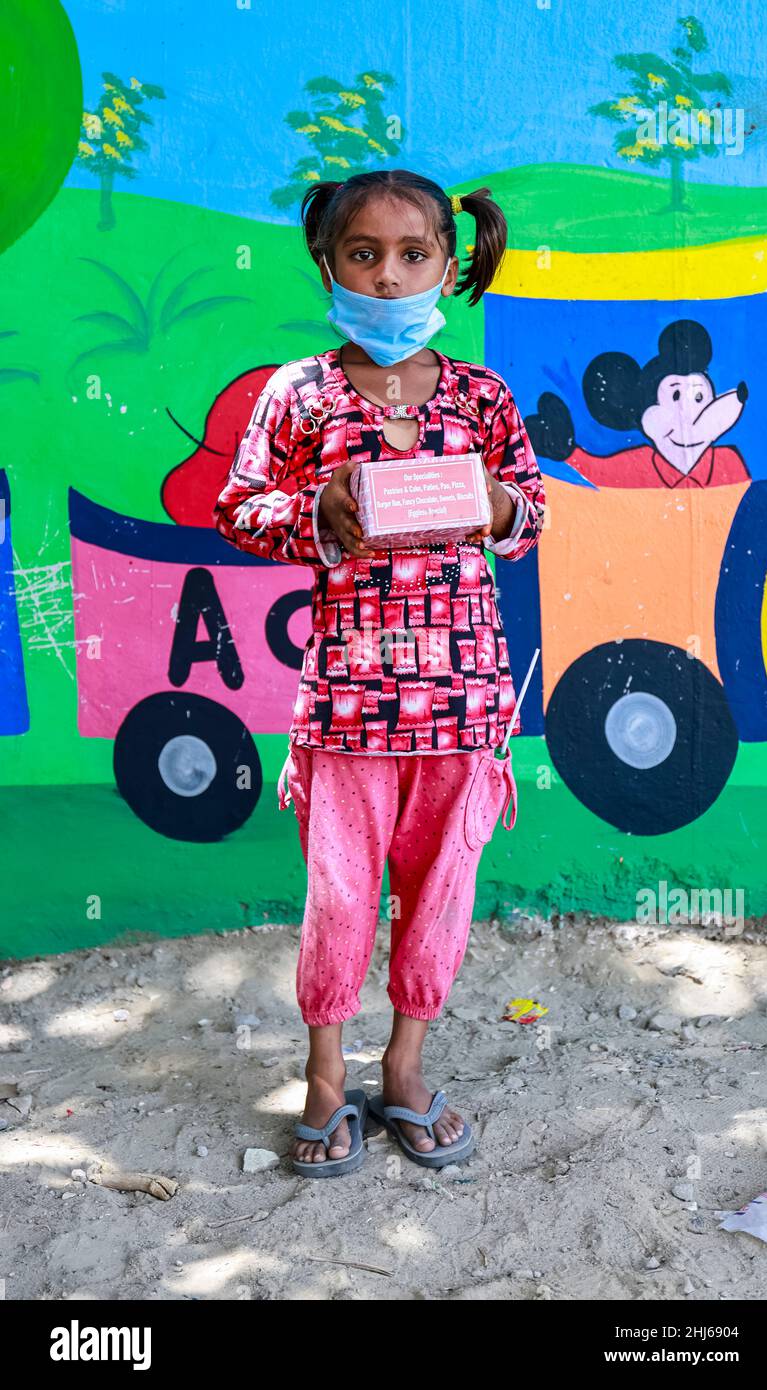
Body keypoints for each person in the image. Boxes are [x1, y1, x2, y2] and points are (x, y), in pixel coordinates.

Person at [213, 169, 545, 1177]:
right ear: (328, 265)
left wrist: (495, 505)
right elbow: (239, 505)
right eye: (365, 254)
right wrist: (317, 510)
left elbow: (530, 516)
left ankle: (403, 1066)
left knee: (441, 891)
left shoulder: (482, 396)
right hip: (349, 705)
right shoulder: (297, 393)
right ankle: (324, 1073)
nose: (390, 277)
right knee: (341, 896)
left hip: (464, 698)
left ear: (450, 265)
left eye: (413, 255)